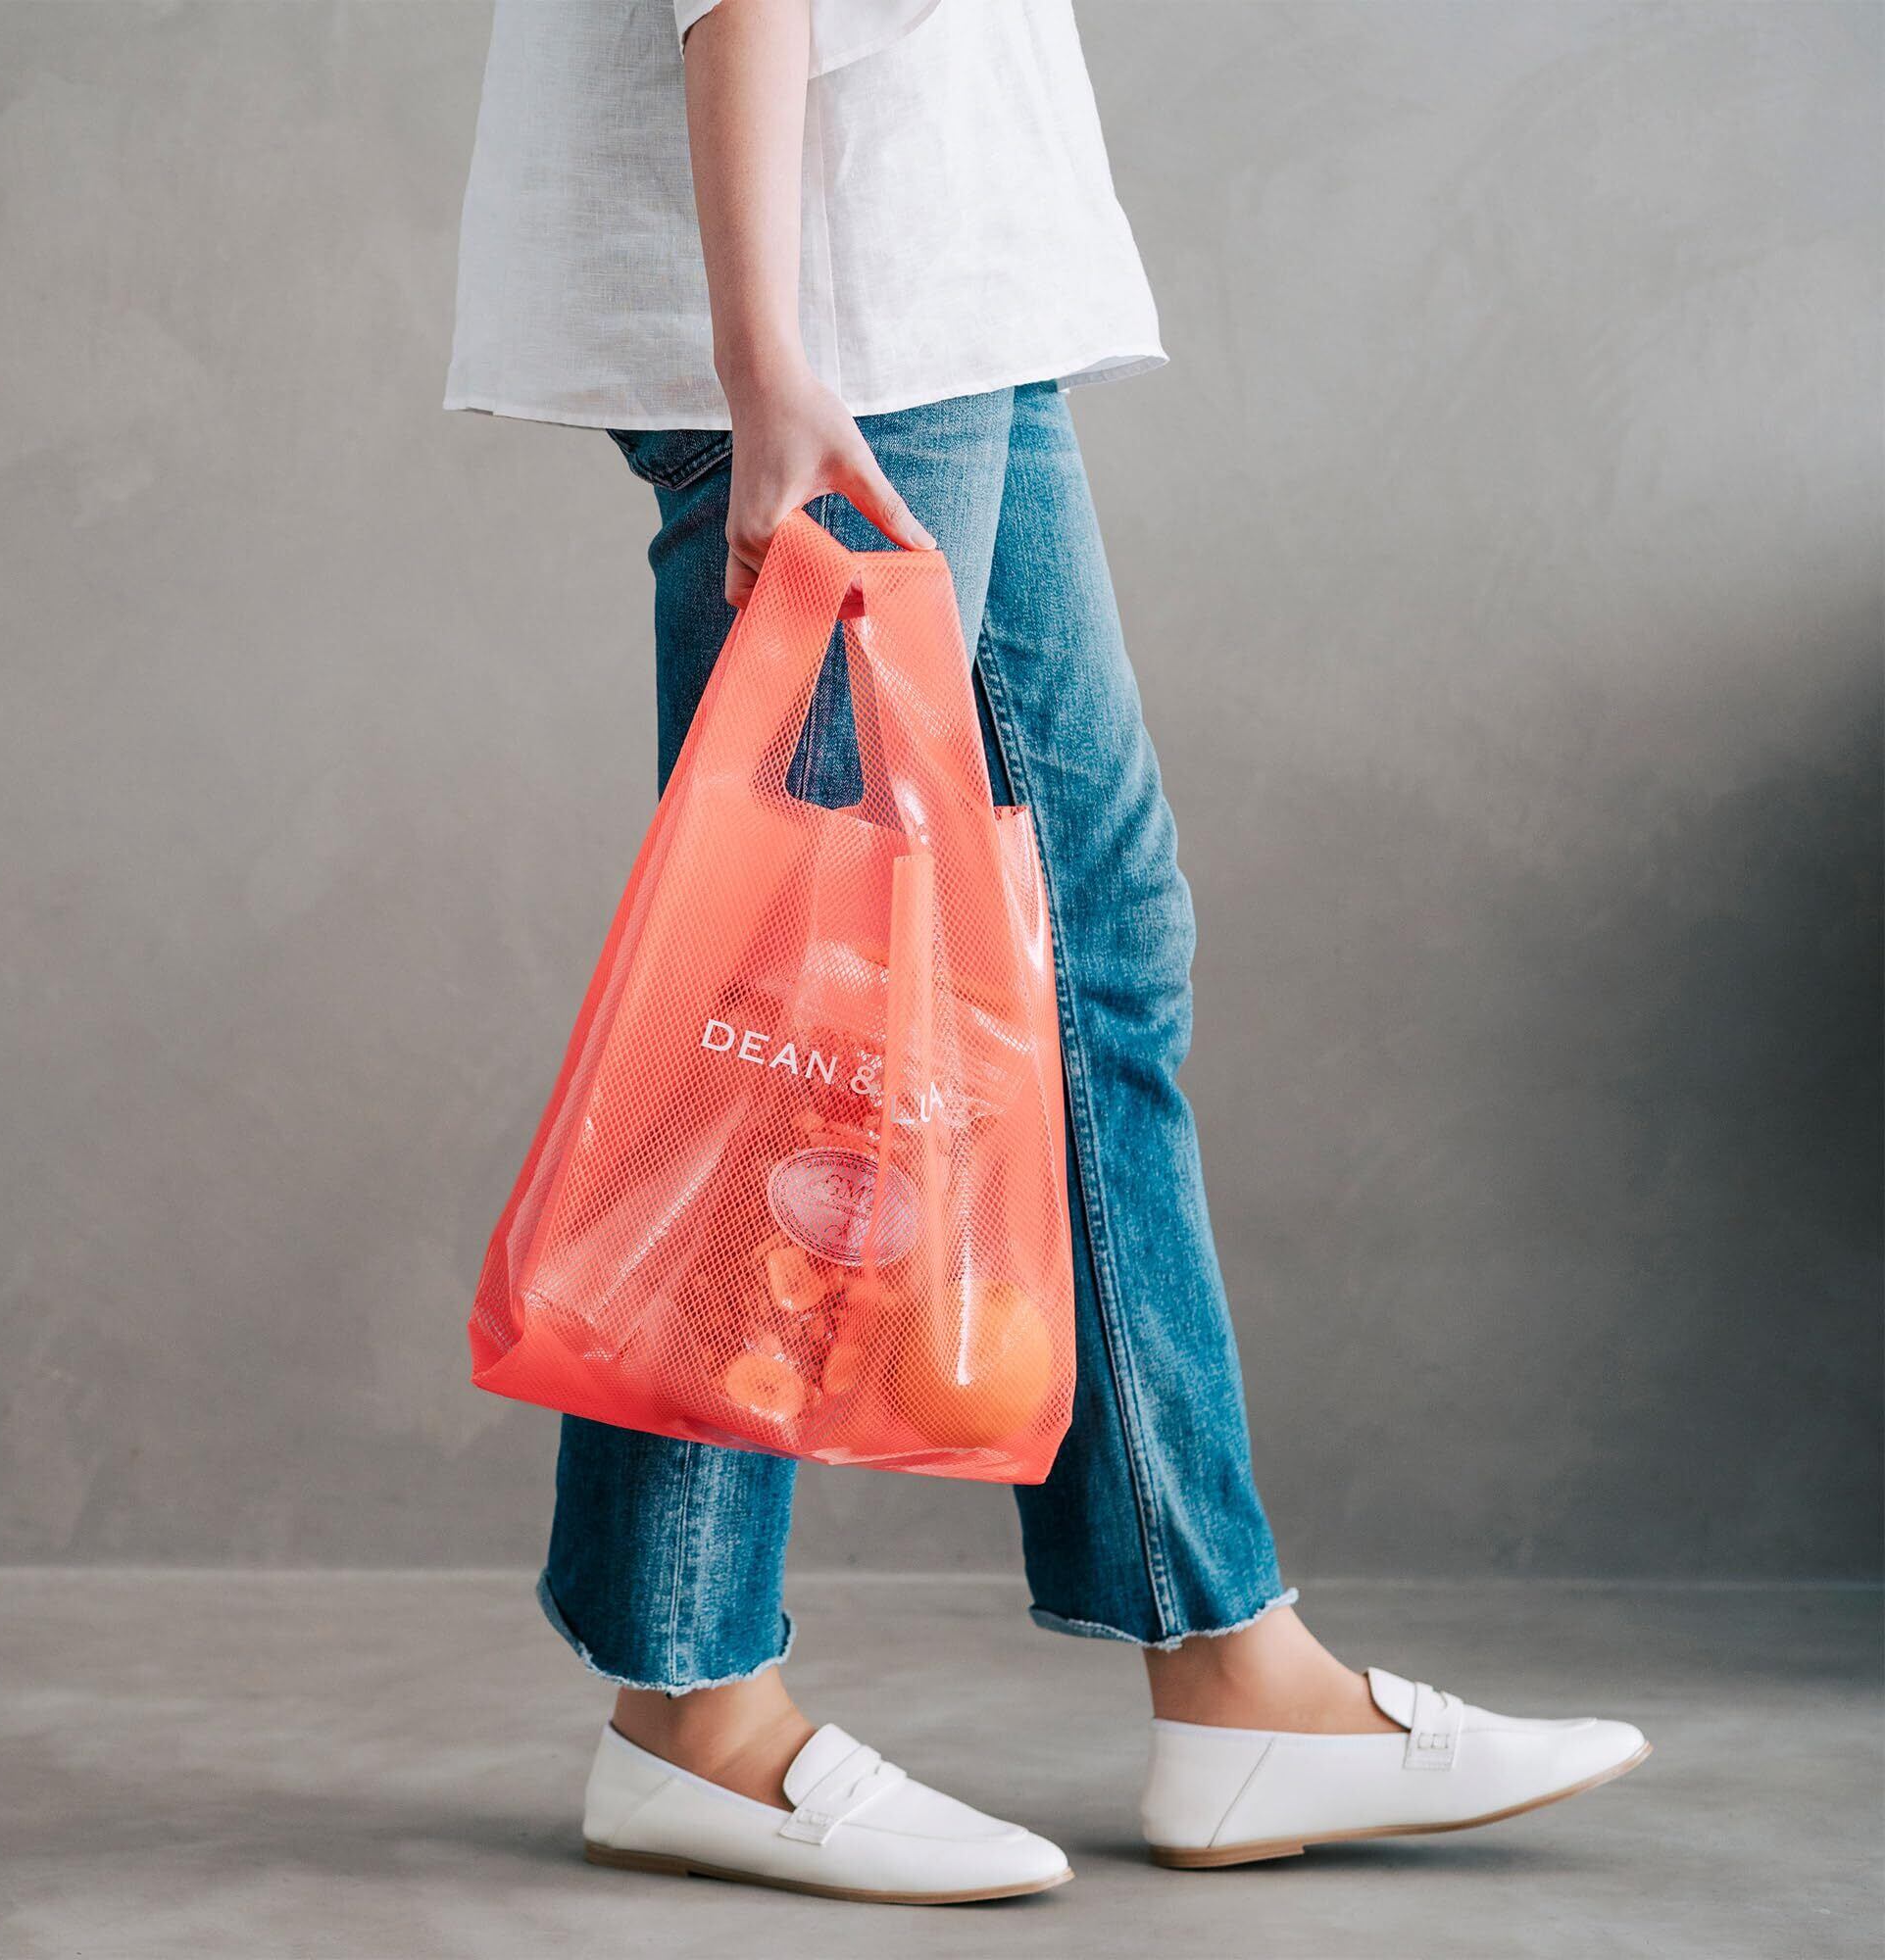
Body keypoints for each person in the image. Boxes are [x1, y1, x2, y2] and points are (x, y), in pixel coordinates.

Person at [447, 0, 1649, 1905]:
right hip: (846, 309)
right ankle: (688, 1697)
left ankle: (1228, 1663)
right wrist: (765, 359)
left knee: (1090, 957)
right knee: (800, 991)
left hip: (938, 282)